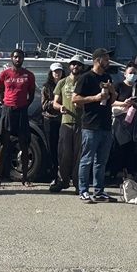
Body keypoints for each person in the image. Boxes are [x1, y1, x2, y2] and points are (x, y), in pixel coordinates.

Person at [72, 48, 118, 203]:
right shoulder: (85, 78)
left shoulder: (107, 77)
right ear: (98, 60)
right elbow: (75, 99)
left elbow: (111, 101)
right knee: (86, 159)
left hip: (106, 125)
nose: (108, 62)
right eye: (106, 59)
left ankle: (99, 191)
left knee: (101, 161)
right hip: (91, 126)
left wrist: (112, 91)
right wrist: (95, 97)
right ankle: (83, 190)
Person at [0, 49, 36, 187]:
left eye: (20, 57)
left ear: (23, 59)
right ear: (12, 58)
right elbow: (0, 91)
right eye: (15, 57)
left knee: (24, 144)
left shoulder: (29, 75)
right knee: (3, 144)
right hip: (7, 110)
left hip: (22, 111)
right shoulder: (4, 74)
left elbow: (31, 95)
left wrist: (24, 105)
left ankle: (25, 178)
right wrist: (6, 103)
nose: (18, 59)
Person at [49, 56, 85, 193]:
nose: (75, 66)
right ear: (69, 66)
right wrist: (60, 107)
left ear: (82, 67)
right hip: (66, 123)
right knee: (64, 155)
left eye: (78, 64)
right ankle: (63, 181)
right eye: (73, 64)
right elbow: (55, 102)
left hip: (81, 123)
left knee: (79, 155)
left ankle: (77, 184)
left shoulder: (84, 82)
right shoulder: (63, 82)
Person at [109, 62, 137, 184]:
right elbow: (111, 101)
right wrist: (124, 103)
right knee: (118, 146)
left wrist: (135, 104)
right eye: (130, 73)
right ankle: (114, 173)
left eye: (134, 73)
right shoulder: (118, 86)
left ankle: (130, 172)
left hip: (135, 121)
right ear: (125, 74)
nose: (132, 75)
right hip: (120, 121)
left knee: (133, 147)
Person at [40, 63, 65, 182]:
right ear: (51, 72)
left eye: (59, 71)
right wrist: (54, 103)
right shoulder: (46, 87)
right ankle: (53, 174)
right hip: (50, 119)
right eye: (55, 71)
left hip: (63, 120)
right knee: (51, 147)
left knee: (63, 148)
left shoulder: (65, 85)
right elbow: (43, 105)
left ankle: (64, 173)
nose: (57, 73)